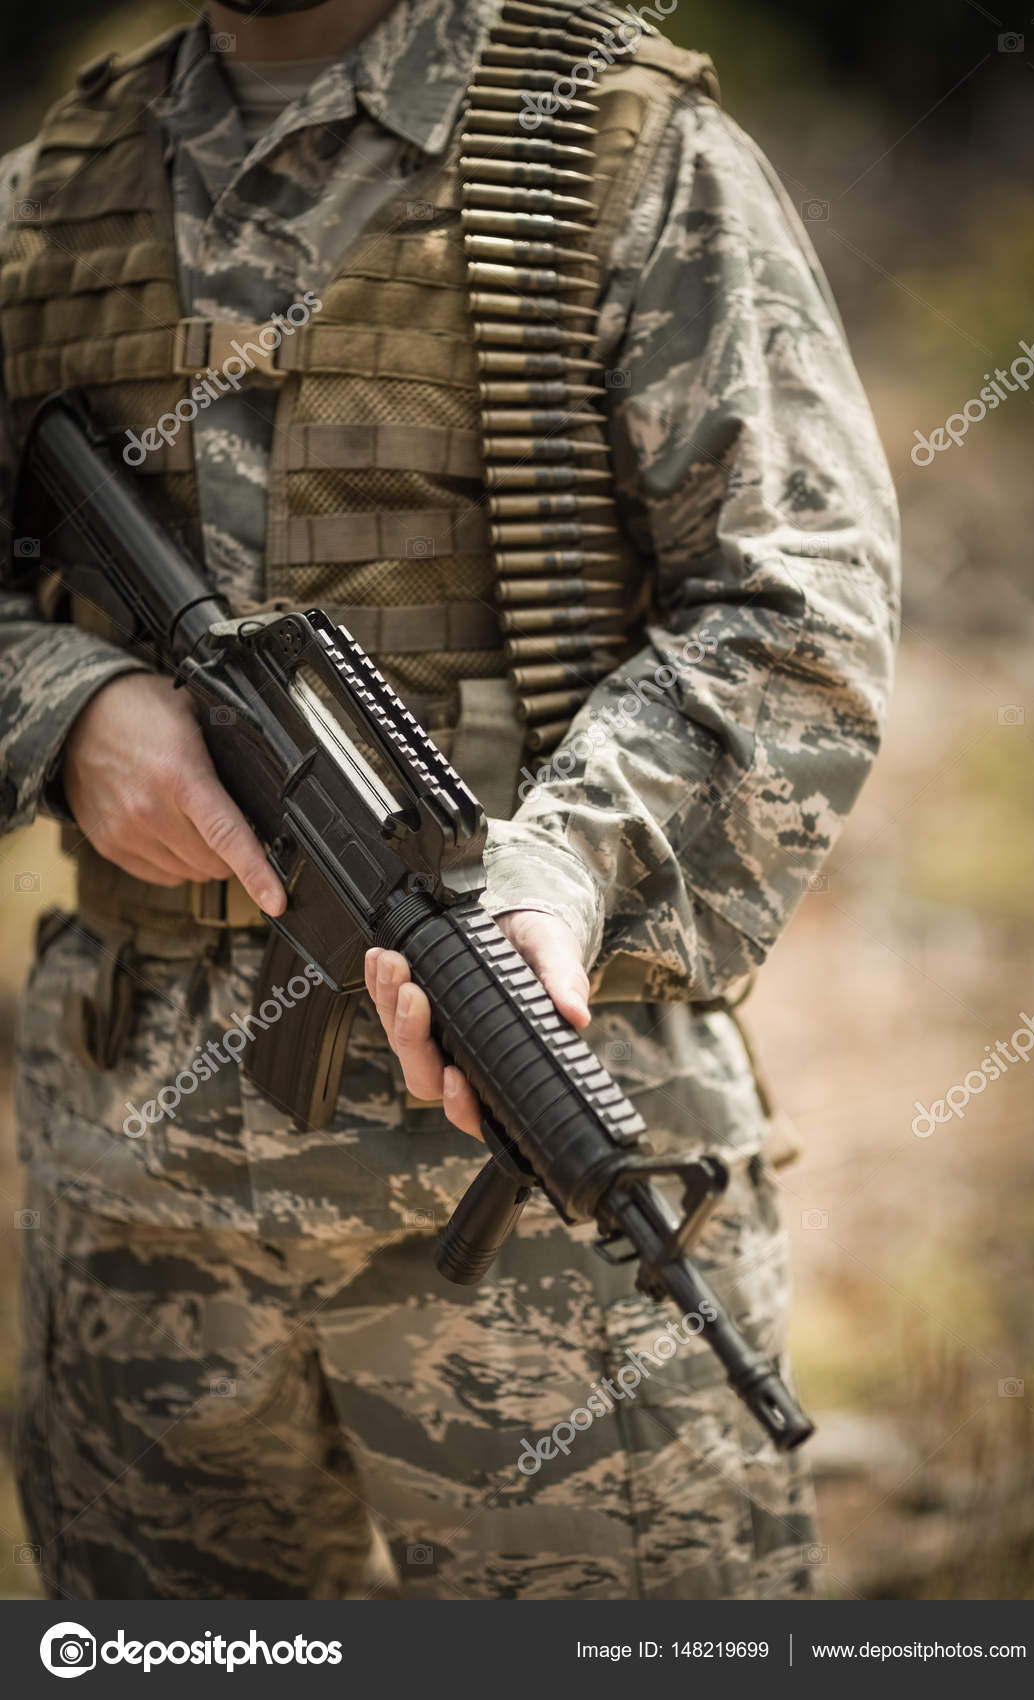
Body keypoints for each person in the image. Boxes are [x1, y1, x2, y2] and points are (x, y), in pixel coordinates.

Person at [0, 0, 899, 1600]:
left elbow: (799, 606)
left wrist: (562, 867)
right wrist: (68, 705)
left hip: (541, 1165)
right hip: (135, 1195)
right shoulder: (56, 188)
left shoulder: (618, 147)